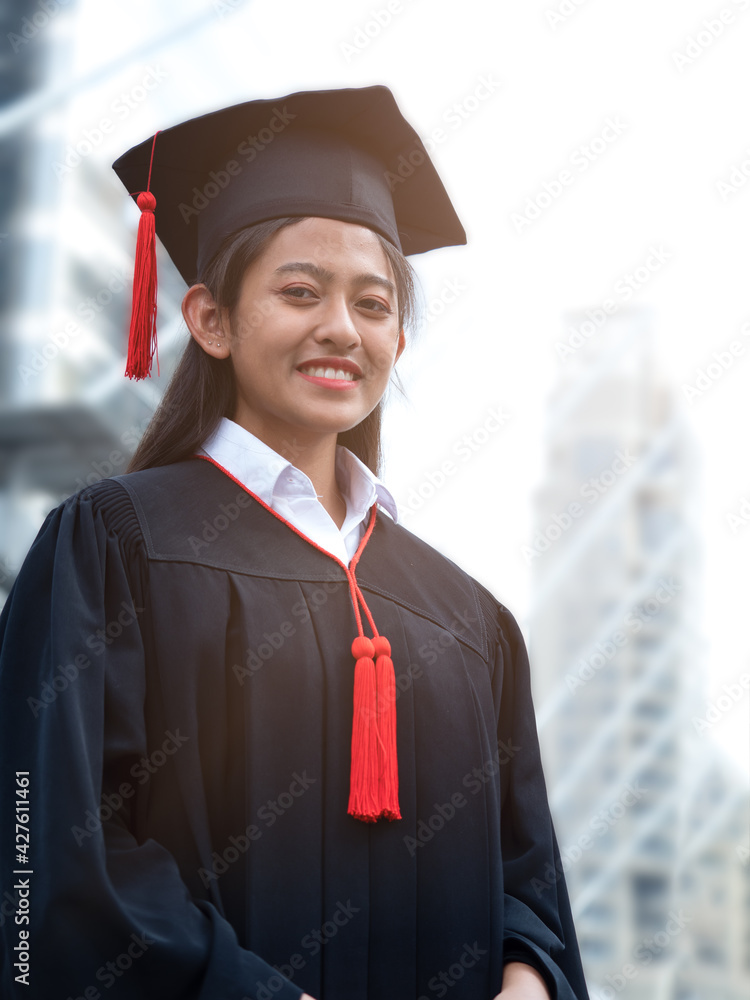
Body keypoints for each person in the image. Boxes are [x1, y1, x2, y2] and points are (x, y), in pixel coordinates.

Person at [0, 86, 589, 1000]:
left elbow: (529, 884)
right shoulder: (115, 546)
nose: (341, 330)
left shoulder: (468, 619)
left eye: (373, 303)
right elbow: (53, 851)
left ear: (398, 334)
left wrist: (531, 977)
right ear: (211, 320)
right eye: (300, 291)